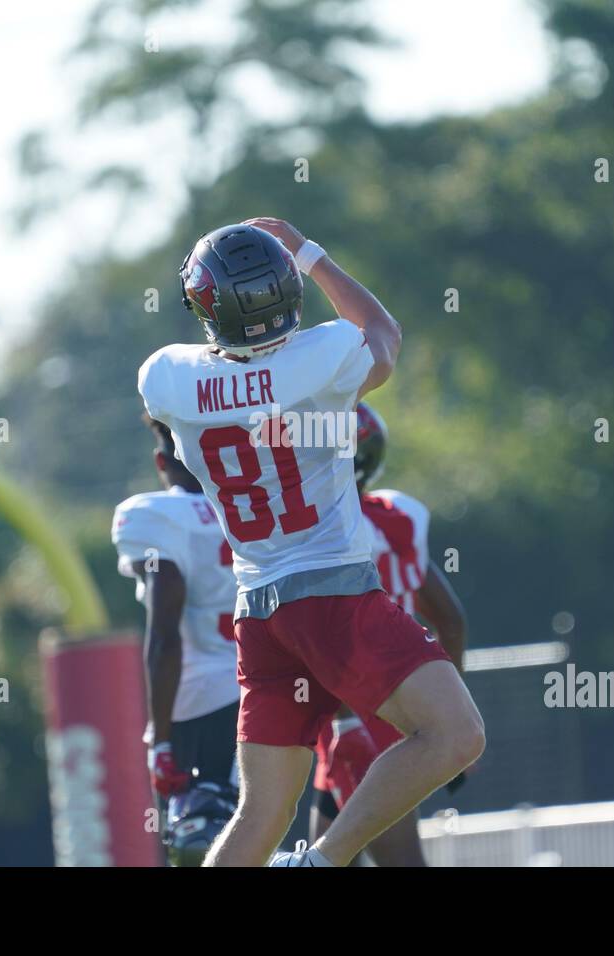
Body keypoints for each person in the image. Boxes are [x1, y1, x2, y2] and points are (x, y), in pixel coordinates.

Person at [139, 217, 484, 866]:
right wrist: (311, 253)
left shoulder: (167, 380)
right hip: (335, 596)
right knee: (456, 734)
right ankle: (324, 860)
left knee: (259, 815)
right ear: (287, 293)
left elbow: (212, 373)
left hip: (261, 614)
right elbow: (383, 333)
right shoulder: (321, 360)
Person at [310, 402, 469, 866]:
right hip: (402, 711)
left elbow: (336, 633)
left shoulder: (324, 531)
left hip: (357, 717)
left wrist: (344, 721)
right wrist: (448, 713)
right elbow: (451, 619)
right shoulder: (394, 517)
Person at [111, 415, 241, 863]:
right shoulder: (251, 505)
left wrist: (160, 738)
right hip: (259, 690)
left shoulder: (152, 515)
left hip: (198, 700)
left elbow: (165, 632)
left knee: (196, 840)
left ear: (160, 461)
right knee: (250, 831)